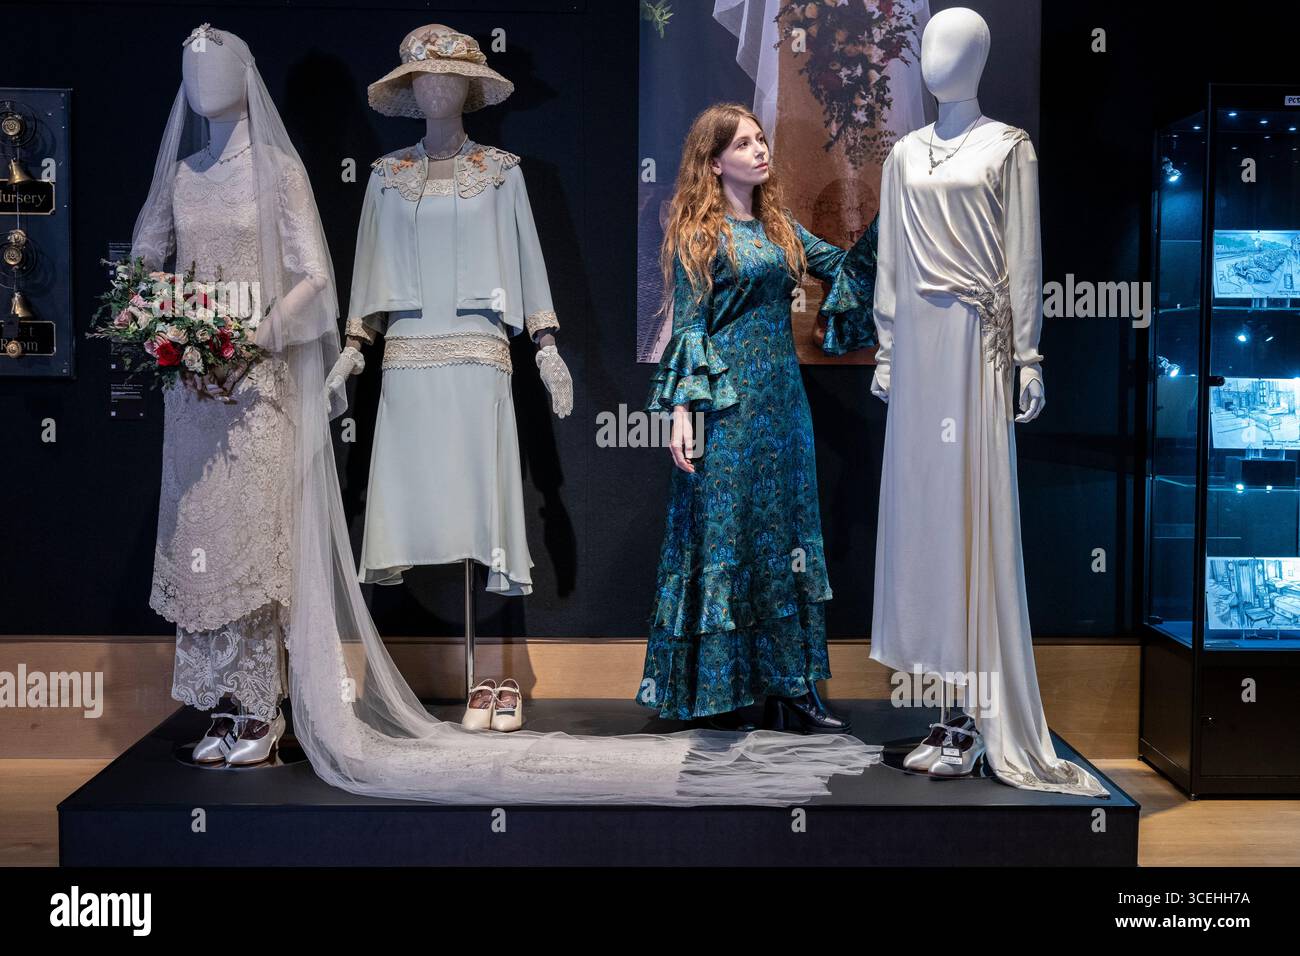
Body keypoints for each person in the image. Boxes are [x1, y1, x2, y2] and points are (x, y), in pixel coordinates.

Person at [638, 103, 879, 732]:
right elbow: (690, 327)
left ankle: (793, 686)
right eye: (744, 144)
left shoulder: (779, 225)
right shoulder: (700, 231)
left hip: (784, 405)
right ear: (714, 161)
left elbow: (845, 268)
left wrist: (902, 213)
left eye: (762, 139)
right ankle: (712, 689)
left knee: (787, 536)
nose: (760, 150)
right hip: (728, 407)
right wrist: (681, 414)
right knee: (727, 531)